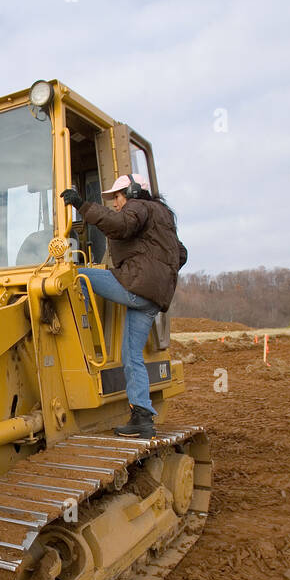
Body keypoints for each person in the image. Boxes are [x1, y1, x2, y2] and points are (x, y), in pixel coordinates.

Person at [60, 174, 182, 438]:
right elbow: (181, 254)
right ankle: (142, 417)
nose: (115, 203)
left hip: (138, 288)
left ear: (133, 192)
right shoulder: (164, 217)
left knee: (77, 276)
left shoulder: (138, 207)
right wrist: (158, 275)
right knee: (131, 355)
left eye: (117, 196)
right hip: (153, 298)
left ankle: (78, 341)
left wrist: (81, 205)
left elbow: (119, 226)